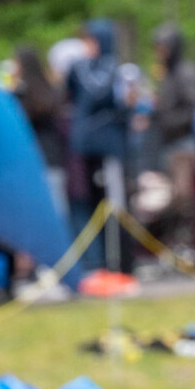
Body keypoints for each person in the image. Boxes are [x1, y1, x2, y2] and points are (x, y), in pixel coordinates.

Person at [67, 19, 131, 272]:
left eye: (91, 41)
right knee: (94, 205)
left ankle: (120, 263)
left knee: (115, 204)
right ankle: (102, 262)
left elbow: (120, 105)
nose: (87, 46)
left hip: (110, 151)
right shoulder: (80, 68)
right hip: (87, 148)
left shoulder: (118, 71)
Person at [151, 24, 195, 252]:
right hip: (171, 144)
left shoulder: (184, 72)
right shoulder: (168, 73)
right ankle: (179, 244)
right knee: (174, 197)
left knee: (184, 197)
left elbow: (194, 107)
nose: (159, 51)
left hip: (184, 144)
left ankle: (189, 245)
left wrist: (169, 120)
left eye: (162, 46)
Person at [13, 43, 69, 220]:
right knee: (57, 214)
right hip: (53, 159)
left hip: (33, 162)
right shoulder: (51, 91)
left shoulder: (21, 95)